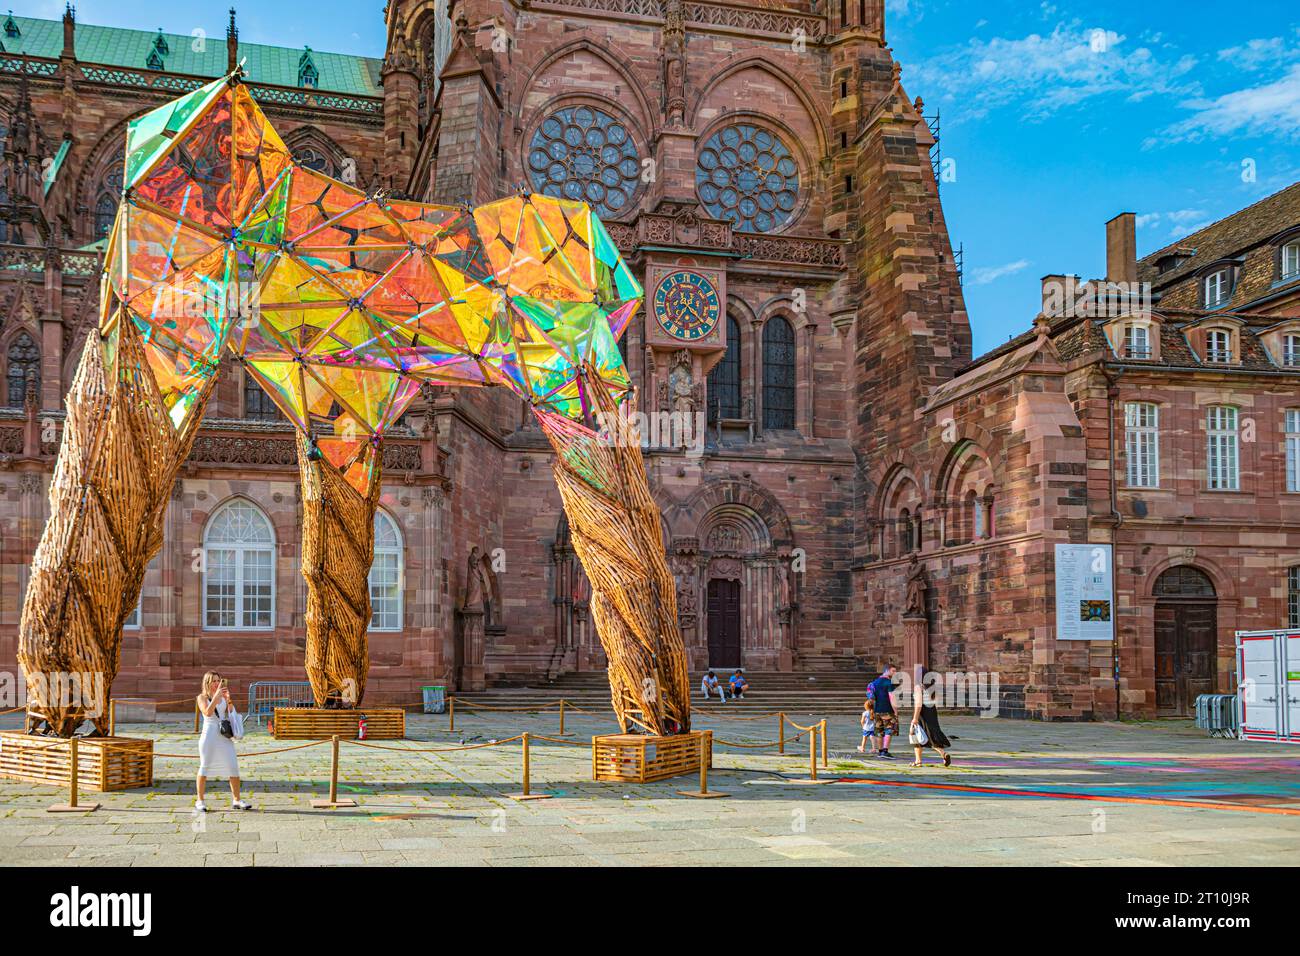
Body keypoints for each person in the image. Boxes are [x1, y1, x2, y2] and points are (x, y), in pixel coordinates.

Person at [196, 671, 251, 811]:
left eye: (218, 680)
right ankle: (200, 801)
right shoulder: (201, 697)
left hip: (223, 734)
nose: (216, 683)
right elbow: (207, 712)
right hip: (209, 735)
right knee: (205, 766)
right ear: (207, 683)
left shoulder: (222, 696)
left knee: (233, 766)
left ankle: (237, 800)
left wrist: (228, 699)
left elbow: (231, 712)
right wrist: (215, 697)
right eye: (213, 681)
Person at [909, 668, 952, 767]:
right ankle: (943, 754)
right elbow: (936, 701)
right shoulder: (932, 686)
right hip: (932, 711)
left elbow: (918, 703)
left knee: (916, 736)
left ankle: (918, 761)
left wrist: (915, 718)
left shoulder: (918, 687)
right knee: (930, 736)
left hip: (922, 712)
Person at [866, 664, 900, 759]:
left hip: (877, 710)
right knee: (889, 730)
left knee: (879, 731)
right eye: (893, 671)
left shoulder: (874, 682)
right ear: (887, 670)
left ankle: (880, 751)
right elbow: (892, 697)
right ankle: (885, 751)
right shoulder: (889, 683)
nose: (895, 673)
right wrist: (896, 711)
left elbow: (871, 698)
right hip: (888, 710)